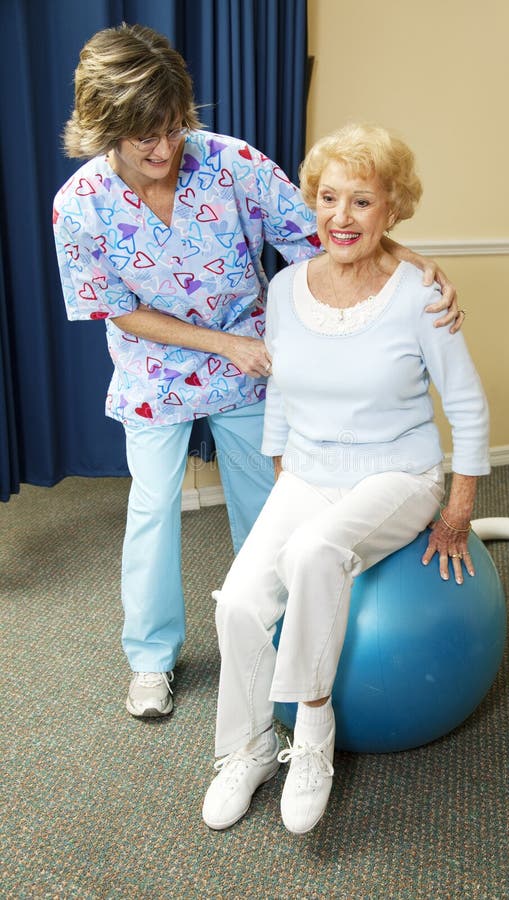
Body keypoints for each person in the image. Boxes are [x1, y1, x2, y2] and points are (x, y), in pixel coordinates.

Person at [53, 24, 462, 720]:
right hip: (158, 371)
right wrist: (219, 343)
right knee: (151, 511)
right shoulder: (80, 204)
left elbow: (322, 230)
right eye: (142, 136)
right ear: (103, 128)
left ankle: (268, 631)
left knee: (267, 504)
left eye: (172, 127)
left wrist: (410, 262)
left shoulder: (229, 163)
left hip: (251, 363)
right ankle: (151, 660)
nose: (162, 149)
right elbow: (117, 311)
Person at [202, 123, 489, 835]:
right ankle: (249, 747)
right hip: (309, 472)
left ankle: (312, 736)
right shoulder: (287, 286)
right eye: (329, 198)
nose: (341, 216)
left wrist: (457, 511)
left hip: (400, 472)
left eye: (362, 201)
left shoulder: (422, 292)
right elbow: (282, 395)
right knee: (239, 601)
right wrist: (282, 476)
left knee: (315, 553)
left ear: (393, 210)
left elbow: (467, 405)